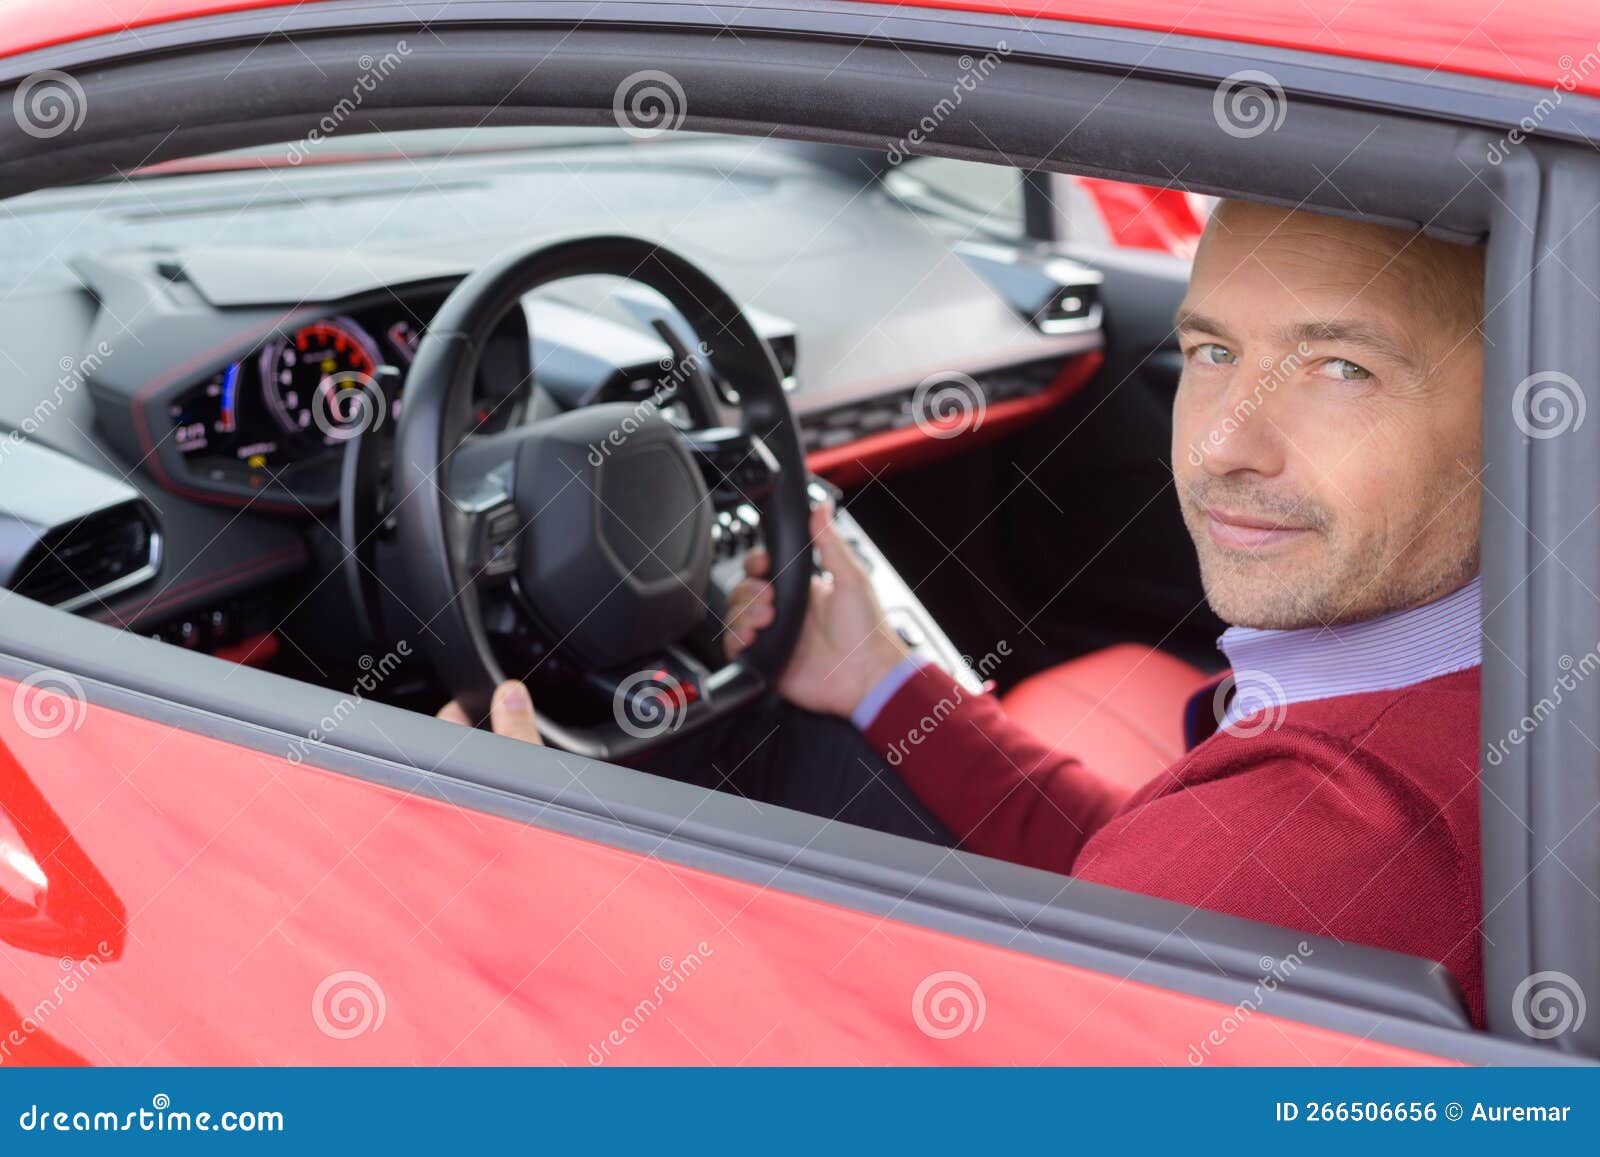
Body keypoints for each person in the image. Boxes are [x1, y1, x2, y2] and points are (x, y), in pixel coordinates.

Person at [440, 199, 1490, 1024]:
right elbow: (1126, 876)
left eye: (1340, 368)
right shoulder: (1458, 687)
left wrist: (541, 887)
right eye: (1213, 351)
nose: (1222, 445)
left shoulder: (1302, 849)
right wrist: (884, 679)